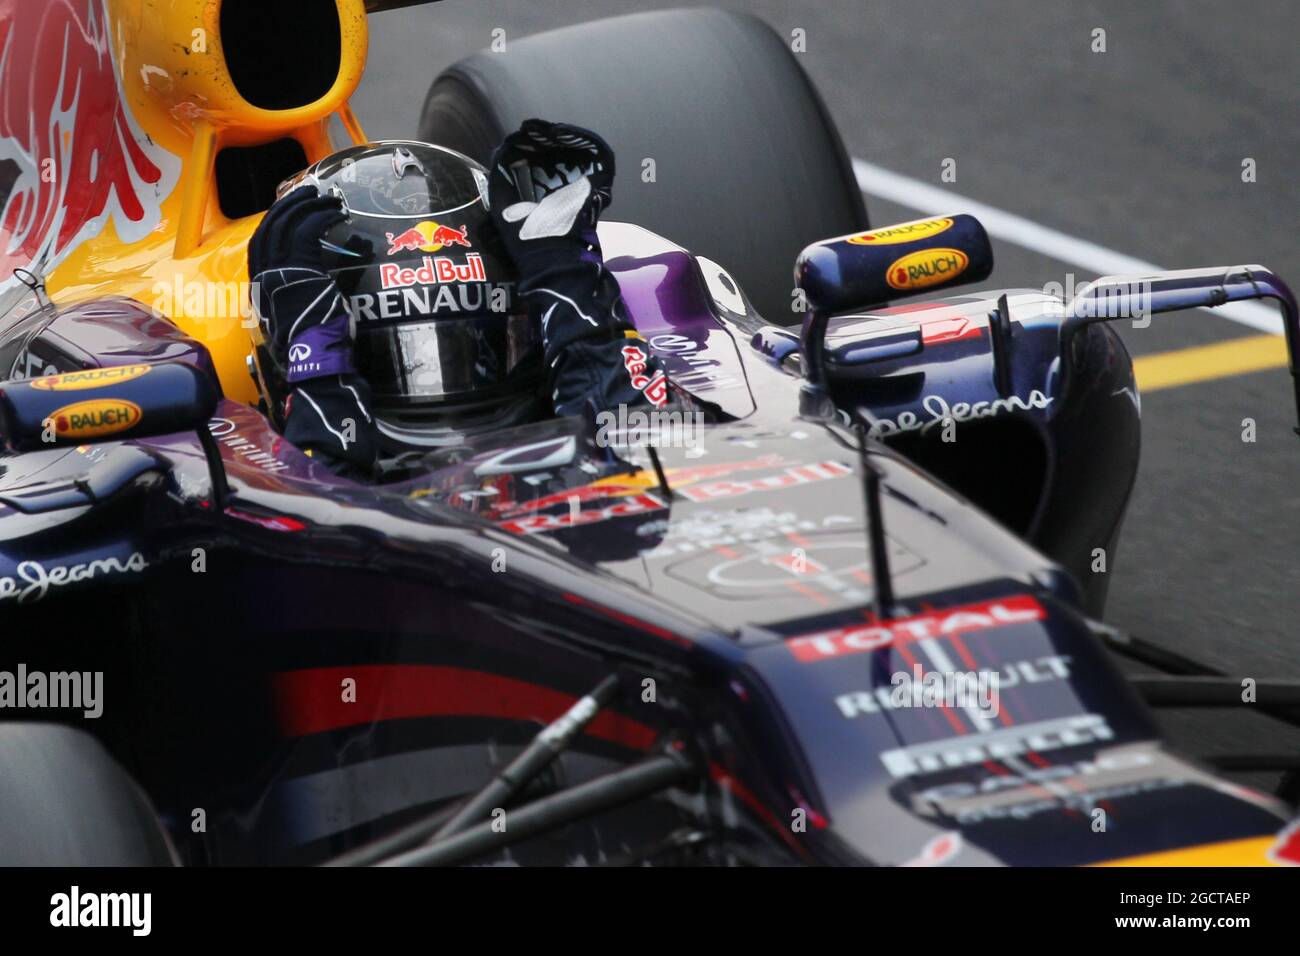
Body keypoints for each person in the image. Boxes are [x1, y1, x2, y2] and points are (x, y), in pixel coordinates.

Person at [247, 121, 671, 480]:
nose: (444, 384)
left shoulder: (632, 433)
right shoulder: (243, 480)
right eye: (395, 357)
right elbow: (318, 517)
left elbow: (672, 454)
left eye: (480, 345)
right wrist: (318, 378)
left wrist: (567, 281)